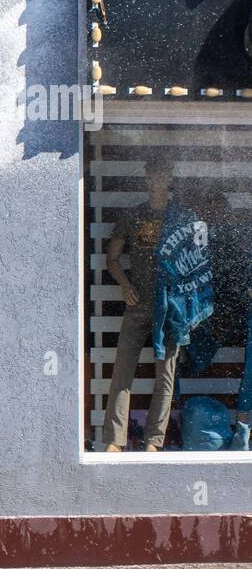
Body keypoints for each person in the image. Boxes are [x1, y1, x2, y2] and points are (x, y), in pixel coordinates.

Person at [103, 160, 177, 452]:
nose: (158, 179)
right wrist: (124, 284)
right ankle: (114, 441)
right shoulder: (133, 216)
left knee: (165, 376)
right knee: (123, 371)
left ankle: (154, 442)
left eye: (163, 174)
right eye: (153, 174)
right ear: (146, 178)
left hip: (170, 309)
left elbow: (196, 261)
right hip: (137, 304)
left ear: (169, 178)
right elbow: (112, 258)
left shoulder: (180, 217)